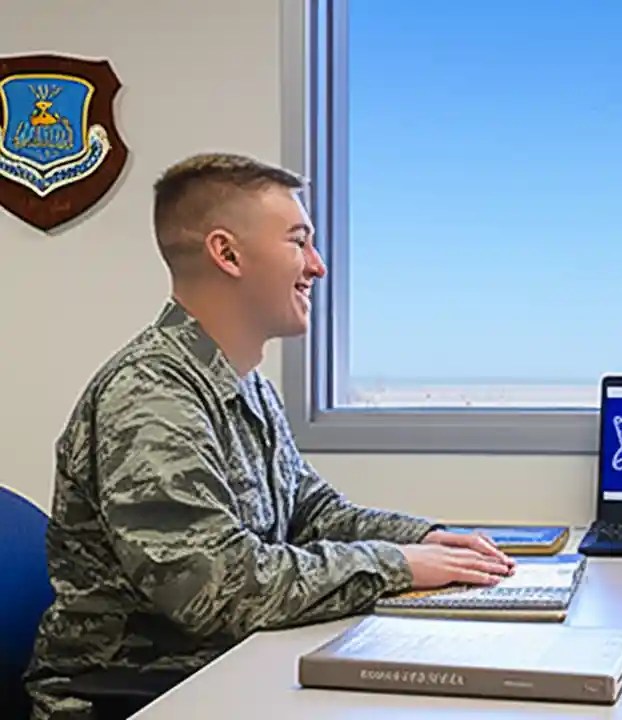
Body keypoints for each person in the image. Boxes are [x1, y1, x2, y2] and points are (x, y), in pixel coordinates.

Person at [24, 152, 517, 720]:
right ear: (227, 253)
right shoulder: (151, 398)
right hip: (140, 697)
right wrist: (396, 565)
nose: (317, 265)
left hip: (225, 672)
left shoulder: (242, 381)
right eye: (298, 241)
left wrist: (430, 540)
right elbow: (217, 588)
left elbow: (309, 510)